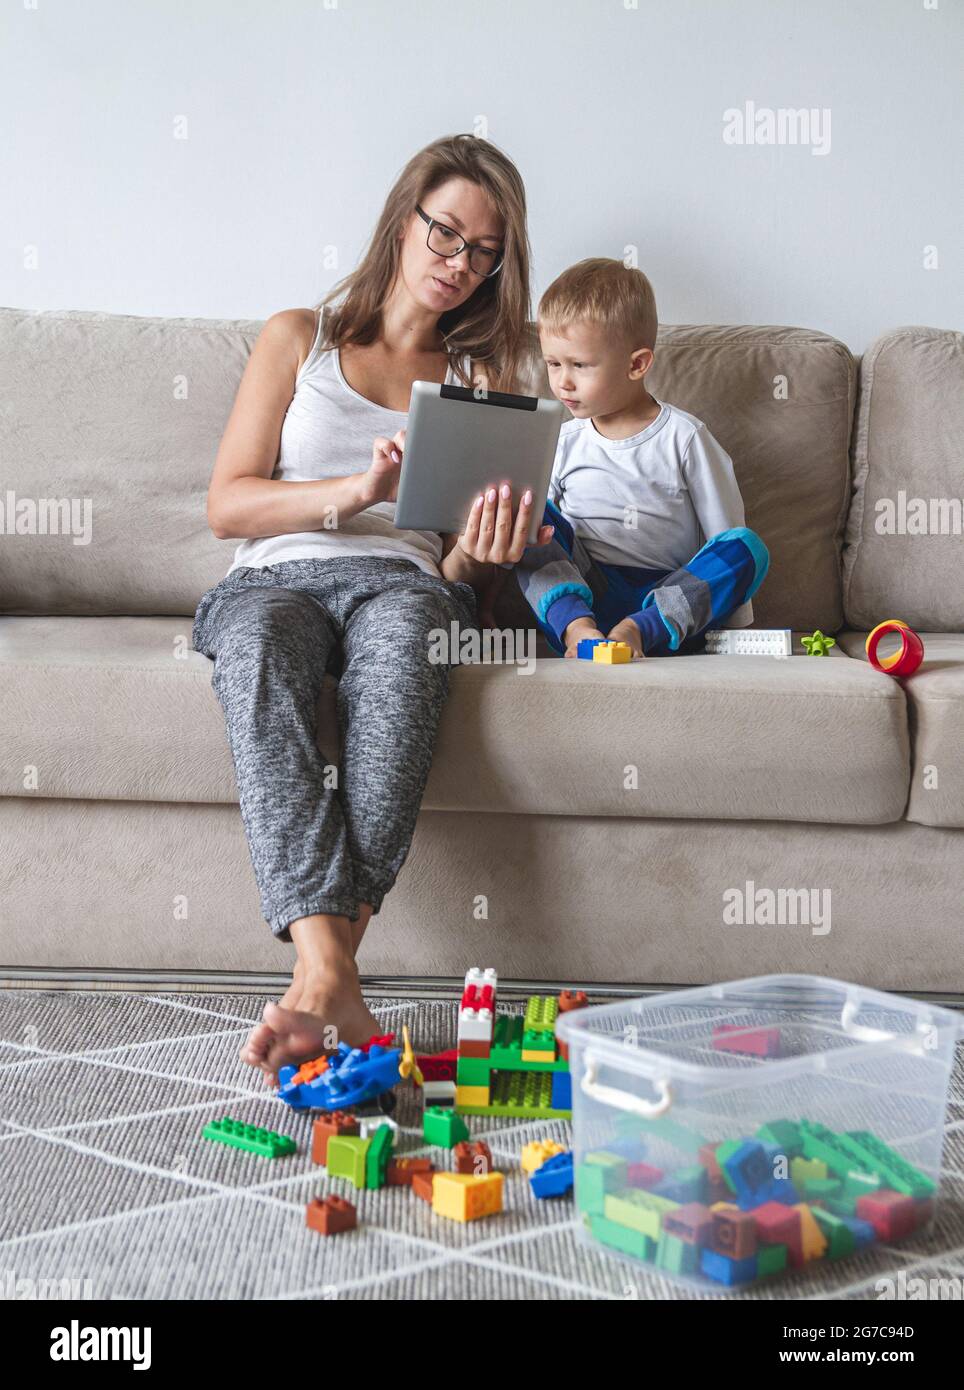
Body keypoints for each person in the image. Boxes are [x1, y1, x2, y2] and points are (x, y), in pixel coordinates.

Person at [193, 134, 550, 1080]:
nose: (457, 264)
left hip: (406, 585)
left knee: (412, 640)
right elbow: (228, 503)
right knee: (261, 646)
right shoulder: (297, 337)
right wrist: (347, 492)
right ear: (403, 220)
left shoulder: (482, 382)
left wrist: (486, 549)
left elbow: (459, 572)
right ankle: (333, 974)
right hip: (279, 577)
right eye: (445, 233)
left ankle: (320, 978)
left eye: (484, 252)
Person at [515, 258, 769, 657]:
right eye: (553, 364)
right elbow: (546, 540)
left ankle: (638, 629)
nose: (563, 381)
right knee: (527, 514)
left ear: (637, 364)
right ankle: (576, 630)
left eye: (580, 365)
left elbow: (723, 527)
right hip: (587, 597)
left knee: (745, 547)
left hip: (669, 602)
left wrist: (729, 623)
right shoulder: (563, 441)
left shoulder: (684, 438)